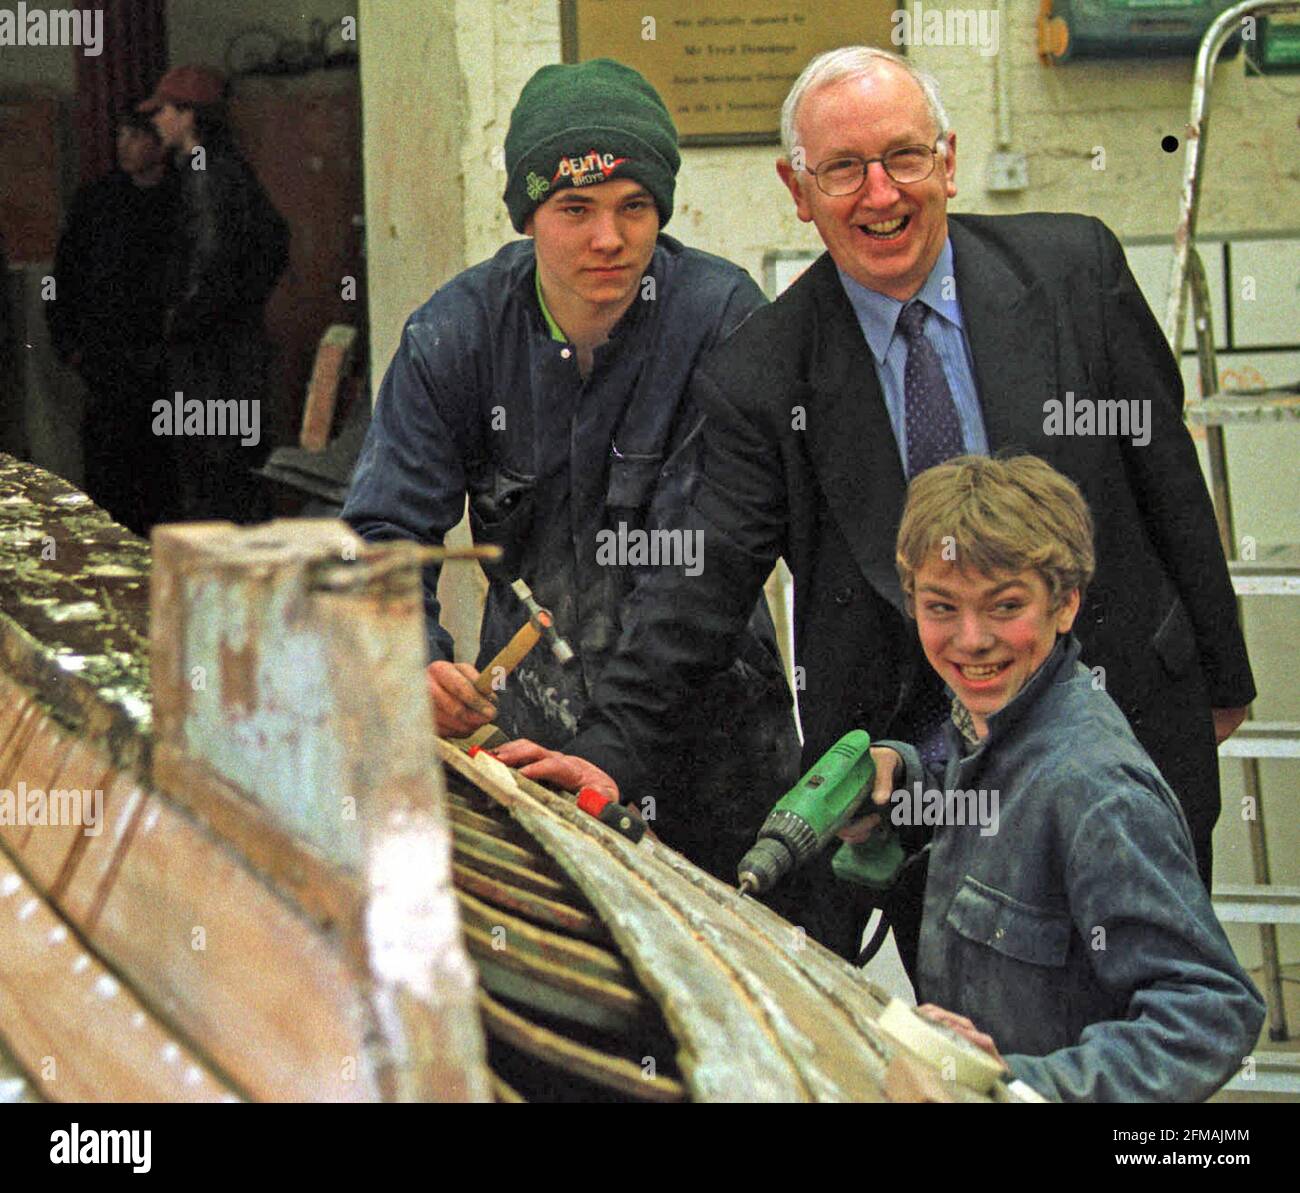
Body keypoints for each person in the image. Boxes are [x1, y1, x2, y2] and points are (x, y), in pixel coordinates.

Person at [555, 46, 1254, 966]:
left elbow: (1171, 484)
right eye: (842, 169)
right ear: (797, 191)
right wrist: (608, 750)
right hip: (925, 788)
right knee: (978, 1039)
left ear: (949, 162)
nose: (880, 194)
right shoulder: (763, 374)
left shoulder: (1076, 273)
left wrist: (1219, 677)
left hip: (1122, 723)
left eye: (904, 158)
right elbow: (700, 589)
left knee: (1154, 1021)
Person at [342, 60, 799, 881]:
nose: (607, 239)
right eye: (573, 208)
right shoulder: (457, 335)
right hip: (532, 740)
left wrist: (616, 743)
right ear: (526, 215)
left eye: (634, 208)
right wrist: (415, 661)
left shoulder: (722, 322)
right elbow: (385, 530)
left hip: (715, 742)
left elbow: (703, 570)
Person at [839, 454, 1264, 1102]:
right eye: (941, 606)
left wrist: (1025, 1086)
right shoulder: (993, 725)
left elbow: (1211, 1010)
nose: (971, 638)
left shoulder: (1095, 791)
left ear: (1066, 603)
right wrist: (907, 779)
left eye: (1005, 605)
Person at [141, 65, 288, 523]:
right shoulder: (222, 166)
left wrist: (182, 317)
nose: (157, 121)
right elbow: (272, 242)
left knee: (214, 475)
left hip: (211, 357)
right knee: (232, 471)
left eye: (164, 111)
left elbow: (210, 258)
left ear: (189, 116)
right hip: (231, 350)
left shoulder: (204, 171)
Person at [46, 109, 178, 534]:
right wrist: (68, 343)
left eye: (136, 137)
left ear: (159, 145)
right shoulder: (97, 200)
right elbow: (65, 273)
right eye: (121, 135)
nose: (124, 146)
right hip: (106, 357)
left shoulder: (180, 200)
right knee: (108, 465)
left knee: (160, 467)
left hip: (161, 360)